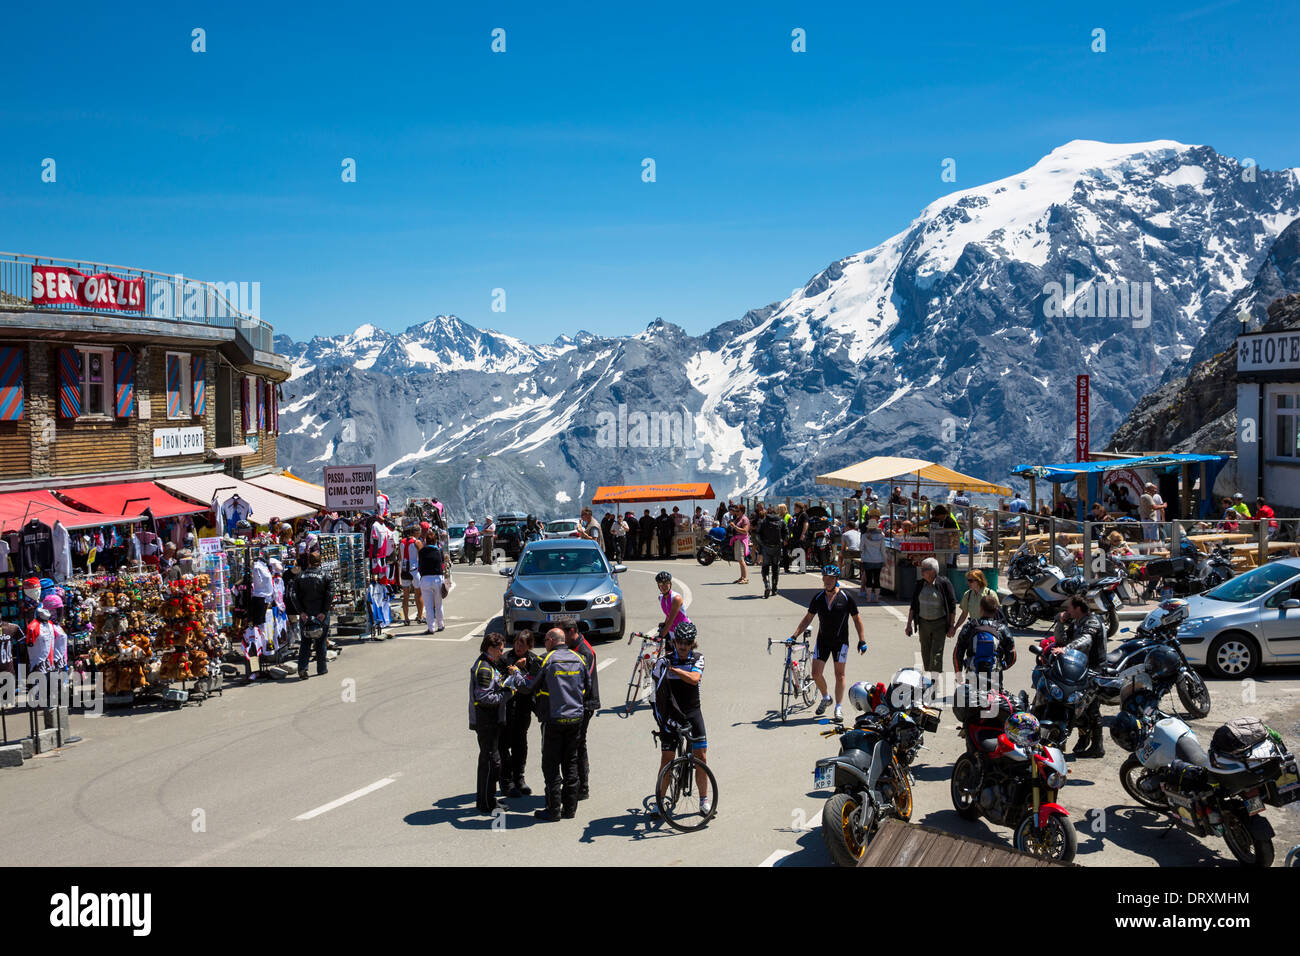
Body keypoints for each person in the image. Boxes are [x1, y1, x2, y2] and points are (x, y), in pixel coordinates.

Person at [520, 628, 590, 821]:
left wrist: (515, 676)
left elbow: (528, 687)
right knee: (571, 765)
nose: (544, 642)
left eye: (545, 639)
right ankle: (570, 809)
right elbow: (588, 688)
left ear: (551, 640)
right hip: (575, 719)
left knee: (551, 766)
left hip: (554, 720)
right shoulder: (579, 659)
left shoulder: (546, 660)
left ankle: (553, 810)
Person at [786, 565, 866, 722]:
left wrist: (862, 639)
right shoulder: (818, 598)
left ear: (836, 580)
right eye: (825, 578)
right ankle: (826, 697)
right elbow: (808, 618)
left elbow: (857, 619)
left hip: (840, 642)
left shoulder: (845, 597)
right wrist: (794, 635)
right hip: (823, 640)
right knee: (816, 673)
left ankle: (838, 708)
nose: (827, 581)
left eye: (830, 578)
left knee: (839, 674)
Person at [650, 621, 711, 817]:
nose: (683, 646)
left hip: (692, 711)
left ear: (693, 643)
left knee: (701, 757)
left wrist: (674, 671)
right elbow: (655, 694)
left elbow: (694, 679)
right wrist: (661, 719)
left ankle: (703, 801)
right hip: (671, 714)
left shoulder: (698, 658)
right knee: (667, 759)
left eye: (687, 642)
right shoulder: (663, 661)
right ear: (675, 642)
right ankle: (659, 802)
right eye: (680, 642)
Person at [469, 632, 521, 815]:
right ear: (490, 648)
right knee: (491, 762)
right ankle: (486, 803)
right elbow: (484, 697)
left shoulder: (491, 664)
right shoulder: (484, 668)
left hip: (491, 720)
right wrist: (509, 693)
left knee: (490, 761)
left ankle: (486, 800)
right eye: (499, 649)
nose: (502, 652)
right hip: (486, 720)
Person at [1052, 595, 1107, 758]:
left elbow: (1086, 639)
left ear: (1077, 608)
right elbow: (1061, 640)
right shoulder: (1077, 623)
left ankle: (1098, 746)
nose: (1067, 610)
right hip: (1079, 668)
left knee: (1091, 708)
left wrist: (1066, 649)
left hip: (1094, 670)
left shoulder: (1092, 621)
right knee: (1078, 707)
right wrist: (1060, 623)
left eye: (1069, 608)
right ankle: (1084, 739)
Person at [498, 630, 541, 798]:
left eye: (522, 644)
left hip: (523, 710)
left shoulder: (533, 660)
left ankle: (519, 778)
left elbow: (532, 684)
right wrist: (514, 670)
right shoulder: (504, 659)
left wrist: (523, 670)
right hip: (507, 709)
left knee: (520, 745)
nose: (517, 646)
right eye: (516, 642)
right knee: (504, 746)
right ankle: (506, 781)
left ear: (529, 646)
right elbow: (501, 682)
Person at [564, 623, 600, 801]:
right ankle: (578, 784)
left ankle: (583, 787)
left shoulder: (585, 651)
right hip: (577, 704)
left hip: (585, 704)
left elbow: (583, 682)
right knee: (577, 743)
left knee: (578, 743)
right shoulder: (573, 646)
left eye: (563, 634)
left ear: (572, 632)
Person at [905, 557, 955, 674]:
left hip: (939, 624)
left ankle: (935, 680)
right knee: (925, 653)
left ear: (932, 571)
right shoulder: (920, 584)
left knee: (936, 655)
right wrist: (908, 625)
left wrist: (952, 626)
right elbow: (913, 606)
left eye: (924, 569)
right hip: (923, 624)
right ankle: (929, 677)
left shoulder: (944, 583)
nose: (921, 571)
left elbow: (952, 606)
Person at [953, 593, 1016, 676]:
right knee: (996, 688)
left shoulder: (970, 626)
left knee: (968, 688)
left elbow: (957, 653)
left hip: (973, 674)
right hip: (994, 676)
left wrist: (958, 674)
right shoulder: (1002, 629)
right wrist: (1002, 666)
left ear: (980, 609)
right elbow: (1012, 656)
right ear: (996, 610)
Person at [293, 551, 332, 679]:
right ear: (320, 562)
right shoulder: (326, 576)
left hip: (306, 614)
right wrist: (324, 612)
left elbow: (293, 595)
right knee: (321, 641)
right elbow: (329, 595)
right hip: (320, 614)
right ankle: (321, 668)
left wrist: (301, 612)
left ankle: (303, 668)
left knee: (305, 642)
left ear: (309, 562)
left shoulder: (300, 576)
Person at [754, 505, 789, 598]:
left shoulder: (763, 521)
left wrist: (762, 544)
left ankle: (767, 585)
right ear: (776, 512)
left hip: (766, 548)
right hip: (777, 548)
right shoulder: (781, 521)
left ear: (768, 513)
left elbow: (757, 535)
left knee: (765, 567)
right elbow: (786, 533)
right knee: (775, 568)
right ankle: (774, 589)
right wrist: (782, 542)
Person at [953, 568, 999, 636]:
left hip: (988, 630)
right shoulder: (967, 594)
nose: (968, 583)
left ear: (979, 580)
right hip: (974, 628)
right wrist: (955, 628)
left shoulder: (990, 594)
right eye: (968, 580)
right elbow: (964, 615)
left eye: (971, 581)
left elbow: (997, 614)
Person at [417, 530, 446, 633]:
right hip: (437, 578)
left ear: (426, 541)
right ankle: (441, 625)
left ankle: (431, 628)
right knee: (438, 604)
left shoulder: (421, 552)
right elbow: (442, 563)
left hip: (425, 579)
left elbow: (419, 565)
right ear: (434, 541)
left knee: (428, 606)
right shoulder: (439, 551)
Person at [655, 570, 691, 641]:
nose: (664, 586)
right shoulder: (661, 598)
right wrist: (665, 623)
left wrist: (661, 635)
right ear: (658, 585)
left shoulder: (676, 598)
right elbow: (669, 613)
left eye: (666, 583)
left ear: (670, 584)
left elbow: (671, 619)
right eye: (661, 583)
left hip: (683, 630)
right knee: (668, 652)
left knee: (681, 651)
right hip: (671, 630)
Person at [400, 526, 423, 624]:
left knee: (406, 596)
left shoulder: (401, 542)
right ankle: (420, 617)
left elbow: (400, 557)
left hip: (404, 570)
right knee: (418, 595)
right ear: (416, 533)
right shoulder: (417, 542)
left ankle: (406, 619)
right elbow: (422, 556)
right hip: (414, 570)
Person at [858, 520, 886, 602]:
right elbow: (883, 550)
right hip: (878, 560)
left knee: (869, 578)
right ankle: (876, 598)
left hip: (868, 560)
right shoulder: (881, 536)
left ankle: (868, 598)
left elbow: (861, 548)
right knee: (877, 579)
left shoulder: (864, 536)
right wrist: (885, 560)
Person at [726, 503, 751, 585]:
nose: (736, 512)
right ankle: (742, 576)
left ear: (742, 511)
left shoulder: (744, 519)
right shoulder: (738, 518)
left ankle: (745, 578)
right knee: (739, 560)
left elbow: (745, 531)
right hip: (737, 539)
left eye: (738, 510)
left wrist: (735, 527)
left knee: (741, 559)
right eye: (735, 510)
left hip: (741, 540)